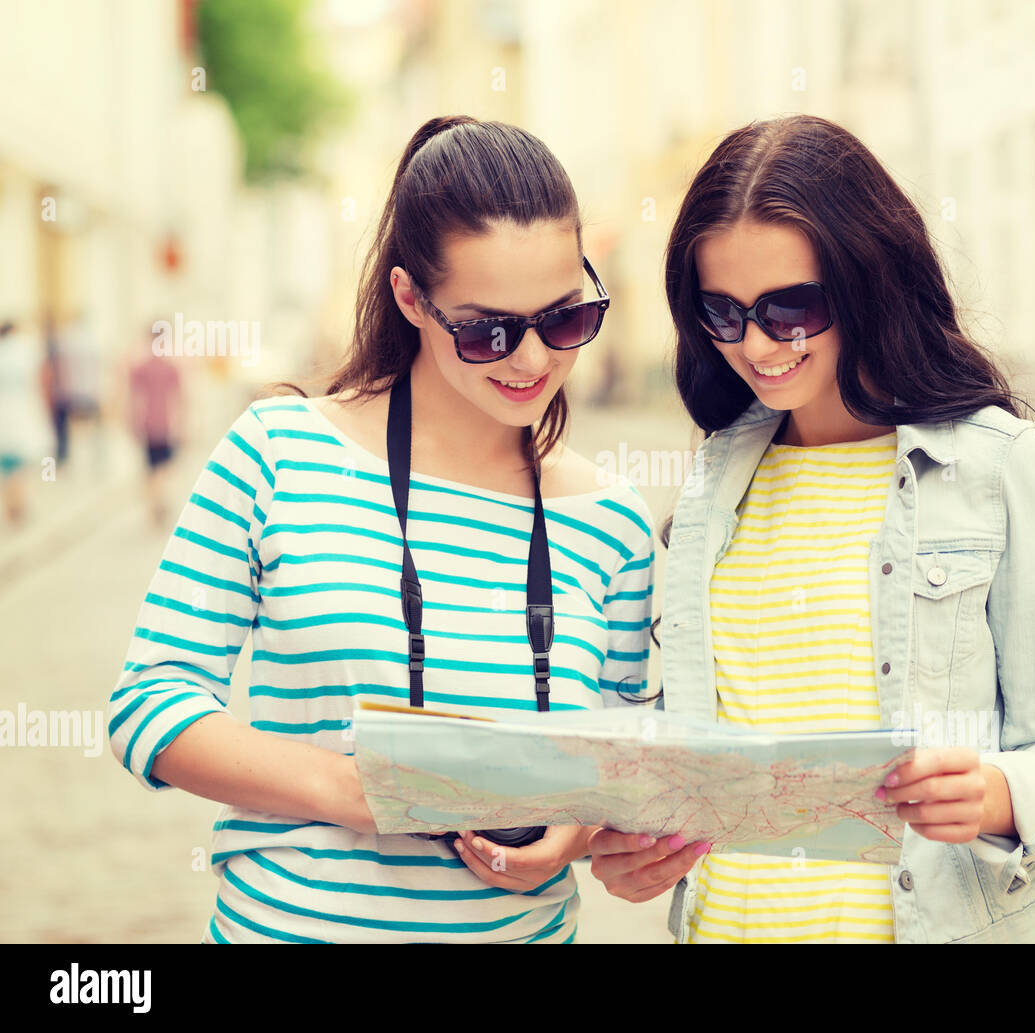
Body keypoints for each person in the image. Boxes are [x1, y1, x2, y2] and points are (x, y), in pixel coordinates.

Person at [588, 114, 1035, 944]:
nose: (758, 344)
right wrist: (636, 847)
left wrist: (993, 793)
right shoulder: (711, 481)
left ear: (865, 281)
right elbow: (701, 751)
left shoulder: (993, 463)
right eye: (723, 313)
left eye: (791, 308)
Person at [108, 115, 655, 943]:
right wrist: (352, 790)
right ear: (410, 298)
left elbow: (619, 769)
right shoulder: (276, 452)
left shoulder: (613, 521)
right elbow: (148, 702)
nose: (534, 359)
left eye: (566, 318)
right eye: (488, 330)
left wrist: (574, 831)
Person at [127, 324, 184, 528]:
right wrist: (183, 424)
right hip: (166, 424)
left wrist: (132, 421)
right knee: (162, 467)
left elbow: (133, 398)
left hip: (147, 423)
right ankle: (159, 500)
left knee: (151, 468)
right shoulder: (172, 366)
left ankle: (155, 503)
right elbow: (180, 398)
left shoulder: (141, 366)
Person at [0, 317, 55, 526]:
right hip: (24, 409)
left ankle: (9, 507)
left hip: (3, 414)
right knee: (22, 463)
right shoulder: (26, 351)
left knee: (4, 464)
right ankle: (20, 502)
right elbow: (42, 380)